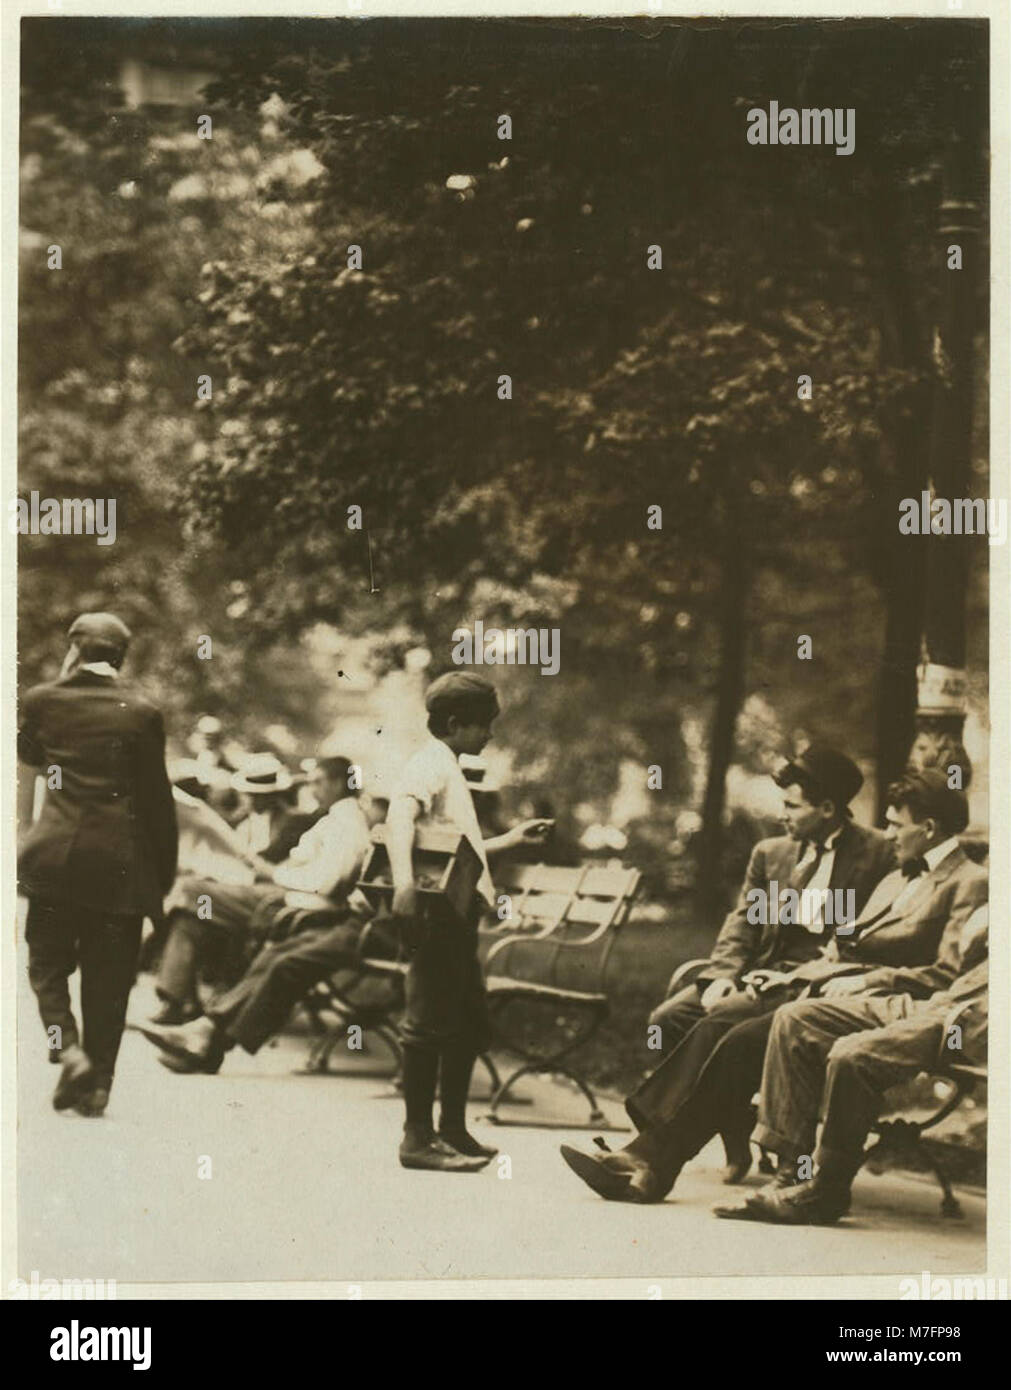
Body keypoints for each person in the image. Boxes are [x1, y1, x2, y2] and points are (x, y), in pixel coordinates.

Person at [559, 769, 985, 1203]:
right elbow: (844, 947)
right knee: (729, 1031)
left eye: (896, 825)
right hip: (831, 993)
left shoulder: (969, 881)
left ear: (929, 829)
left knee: (742, 1040)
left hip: (892, 1011)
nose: (889, 834)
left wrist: (861, 981)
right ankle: (649, 1161)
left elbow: (948, 976)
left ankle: (651, 1160)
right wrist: (798, 974)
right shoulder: (898, 878)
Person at [640, 746, 893, 1175]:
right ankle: (734, 1136)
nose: (784, 815)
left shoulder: (877, 855)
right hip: (762, 975)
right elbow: (744, 924)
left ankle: (655, 1145)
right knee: (668, 1020)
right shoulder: (772, 854)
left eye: (792, 805)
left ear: (828, 808)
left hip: (817, 985)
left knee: (725, 1023)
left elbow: (874, 932)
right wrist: (722, 975)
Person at [714, 902, 988, 1225]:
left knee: (852, 1054)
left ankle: (825, 1193)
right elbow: (960, 966)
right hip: (940, 1003)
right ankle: (793, 1173)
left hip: (970, 1023)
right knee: (796, 1018)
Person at [387, 671, 552, 1172]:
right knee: (428, 1021)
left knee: (464, 1021)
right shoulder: (430, 766)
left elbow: (459, 848)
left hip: (457, 915)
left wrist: (511, 841)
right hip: (436, 914)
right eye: (484, 725)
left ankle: (452, 1128)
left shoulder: (448, 767)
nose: (491, 735)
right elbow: (400, 818)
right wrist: (402, 885)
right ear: (455, 724)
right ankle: (417, 1138)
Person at [17, 612, 178, 1116]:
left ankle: (66, 1047)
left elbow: (24, 781)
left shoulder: (41, 702)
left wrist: (26, 840)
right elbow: (158, 801)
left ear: (73, 649)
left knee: (46, 964)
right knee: (109, 981)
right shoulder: (143, 711)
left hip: (56, 858)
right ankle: (99, 1085)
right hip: (121, 866)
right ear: (121, 656)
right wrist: (163, 875)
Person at [139, 798, 390, 1075]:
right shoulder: (353, 827)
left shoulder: (332, 825)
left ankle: (207, 1035)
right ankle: (203, 1033)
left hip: (364, 923)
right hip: (347, 917)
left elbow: (333, 883)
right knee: (272, 953)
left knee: (285, 962)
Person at [149, 756, 368, 1023]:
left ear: (337, 783)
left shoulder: (339, 821)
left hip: (289, 898)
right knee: (192, 914)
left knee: (190, 891)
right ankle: (182, 1002)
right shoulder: (334, 818)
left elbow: (327, 882)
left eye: (319, 782)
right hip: (276, 892)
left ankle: (185, 1005)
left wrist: (276, 873)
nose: (313, 789)